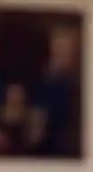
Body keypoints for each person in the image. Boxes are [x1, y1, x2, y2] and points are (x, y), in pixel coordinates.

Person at [27, 26, 82, 158]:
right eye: (61, 49)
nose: (67, 55)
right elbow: (34, 134)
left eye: (69, 50)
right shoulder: (43, 84)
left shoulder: (73, 83)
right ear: (53, 50)